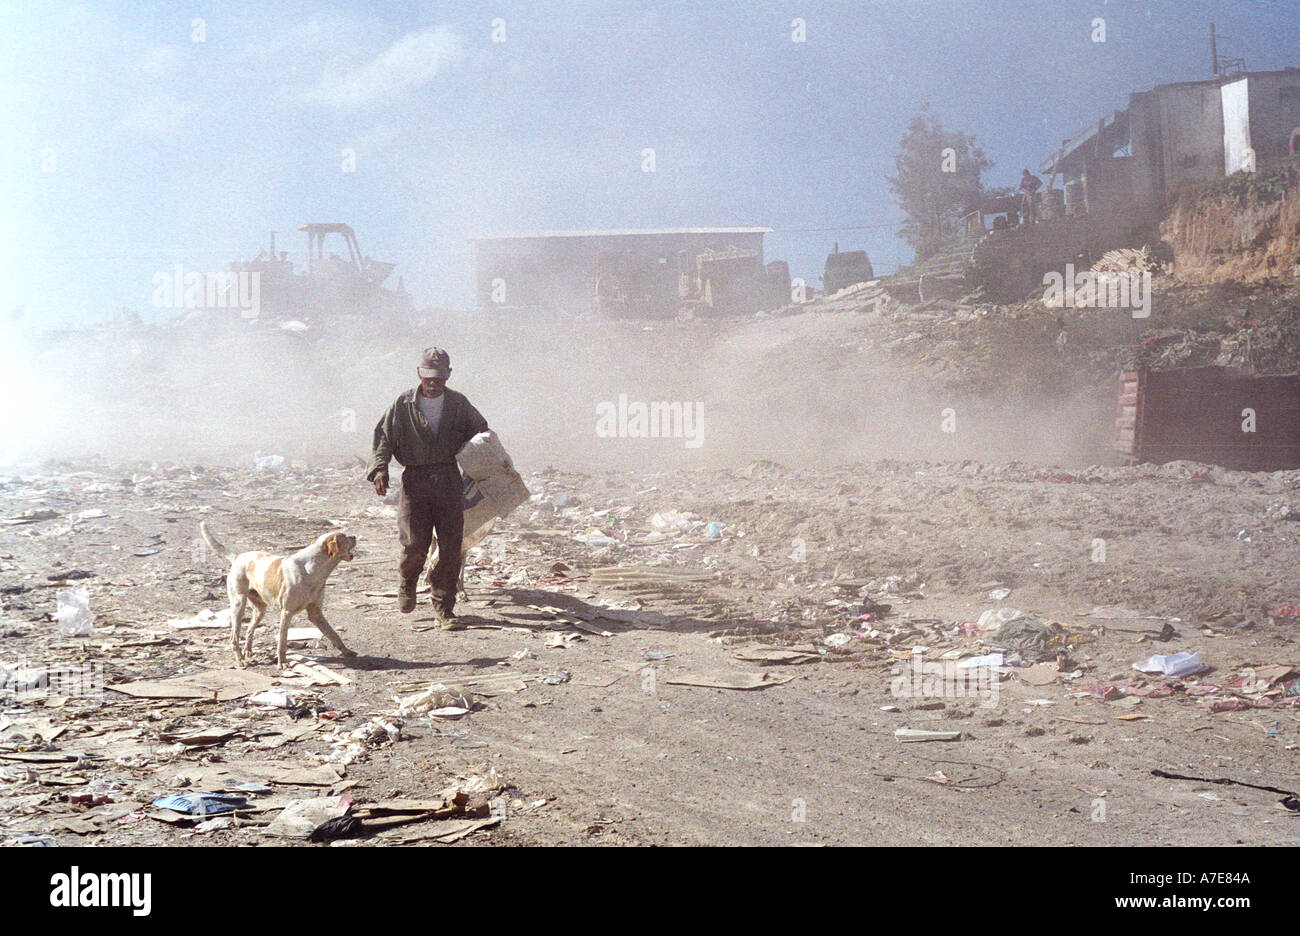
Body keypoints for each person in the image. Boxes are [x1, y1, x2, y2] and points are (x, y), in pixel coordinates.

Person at [367, 347, 488, 626]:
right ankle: (407, 583)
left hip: (447, 479)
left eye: (439, 378)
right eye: (429, 377)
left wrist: (488, 462)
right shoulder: (404, 404)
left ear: (448, 376)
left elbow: (481, 432)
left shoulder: (459, 404)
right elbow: (383, 437)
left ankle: (444, 607)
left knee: (449, 547)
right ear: (420, 373)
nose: (433, 383)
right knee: (414, 543)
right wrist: (379, 470)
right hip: (415, 480)